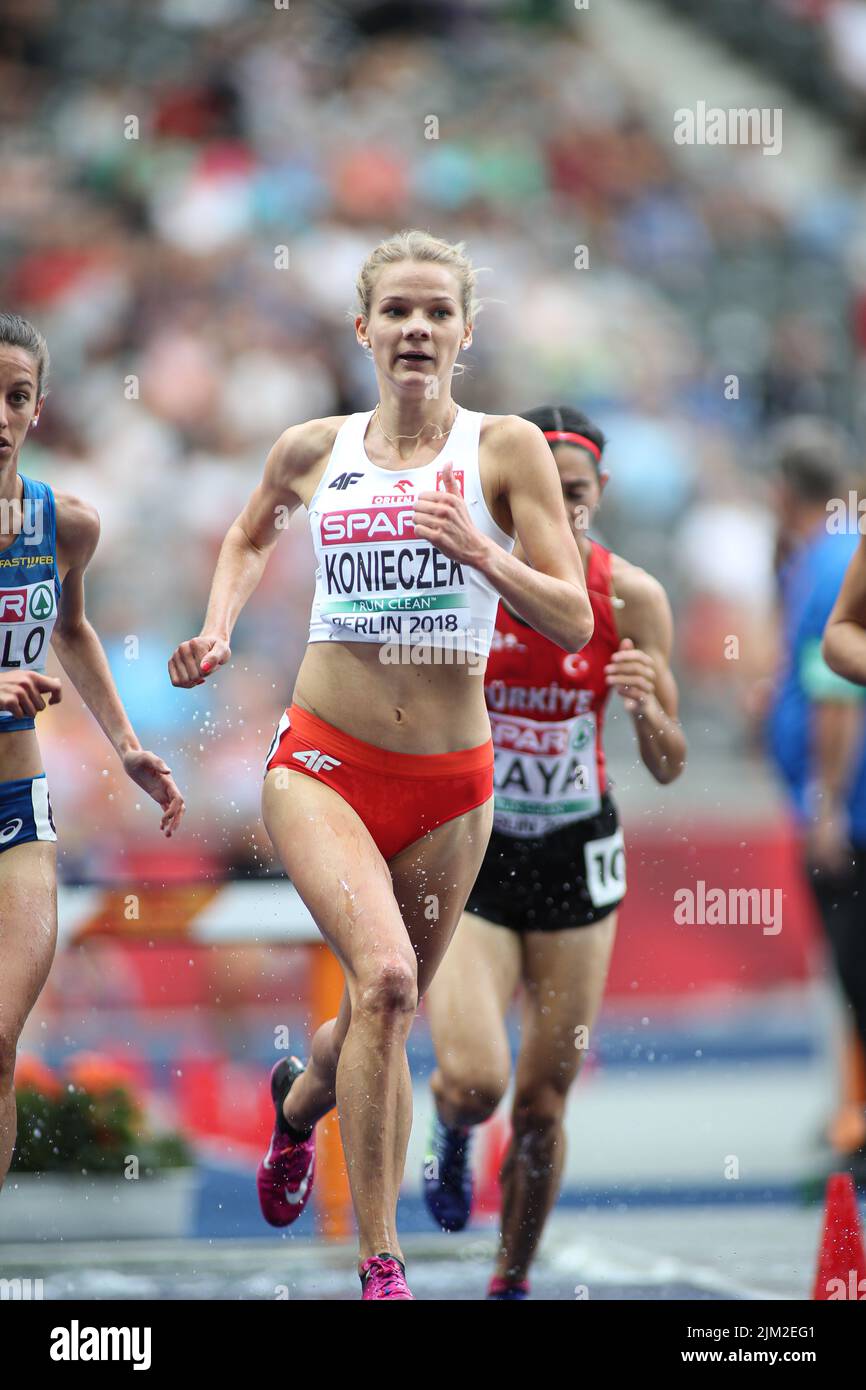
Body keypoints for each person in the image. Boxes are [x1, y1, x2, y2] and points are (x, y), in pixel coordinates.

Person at [168, 230, 594, 1299]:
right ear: (363, 328)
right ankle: (381, 1262)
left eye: (435, 311)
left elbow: (573, 613)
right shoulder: (316, 447)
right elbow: (247, 533)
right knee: (392, 980)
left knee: (378, 1010)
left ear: (462, 330)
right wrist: (218, 627)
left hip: (454, 785)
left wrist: (482, 553)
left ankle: (297, 1105)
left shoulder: (504, 451)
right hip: (324, 760)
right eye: (396, 310)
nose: (415, 327)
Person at [422, 405, 687, 1299]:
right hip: (480, 855)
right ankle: (451, 1130)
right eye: (548, 494)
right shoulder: (471, 580)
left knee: (541, 1107)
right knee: (475, 1082)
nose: (565, 513)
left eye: (578, 496)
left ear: (600, 494)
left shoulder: (632, 597)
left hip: (578, 858)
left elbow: (669, 762)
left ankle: (512, 1281)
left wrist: (651, 711)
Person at [0, 312, 185, 1192]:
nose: (0, 413)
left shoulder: (63, 525)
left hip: (16, 806)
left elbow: (71, 629)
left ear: (37, 412)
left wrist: (127, 746)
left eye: (17, 396)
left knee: (1, 1038)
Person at [763, 418, 866, 1170]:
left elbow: (835, 690)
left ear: (780, 492)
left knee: (857, 976)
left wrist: (827, 805)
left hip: (852, 815)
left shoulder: (830, 563)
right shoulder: (829, 554)